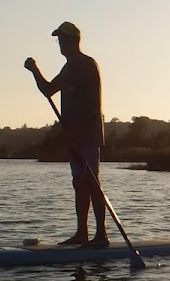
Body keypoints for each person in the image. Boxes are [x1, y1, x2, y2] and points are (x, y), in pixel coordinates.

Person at [25, 21, 108, 247]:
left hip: (87, 135)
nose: (60, 43)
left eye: (62, 39)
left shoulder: (86, 65)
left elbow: (92, 103)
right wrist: (34, 70)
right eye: (58, 40)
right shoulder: (68, 69)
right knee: (79, 183)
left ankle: (101, 235)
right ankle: (82, 233)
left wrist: (80, 134)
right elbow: (48, 90)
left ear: (73, 40)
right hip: (72, 137)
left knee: (91, 182)